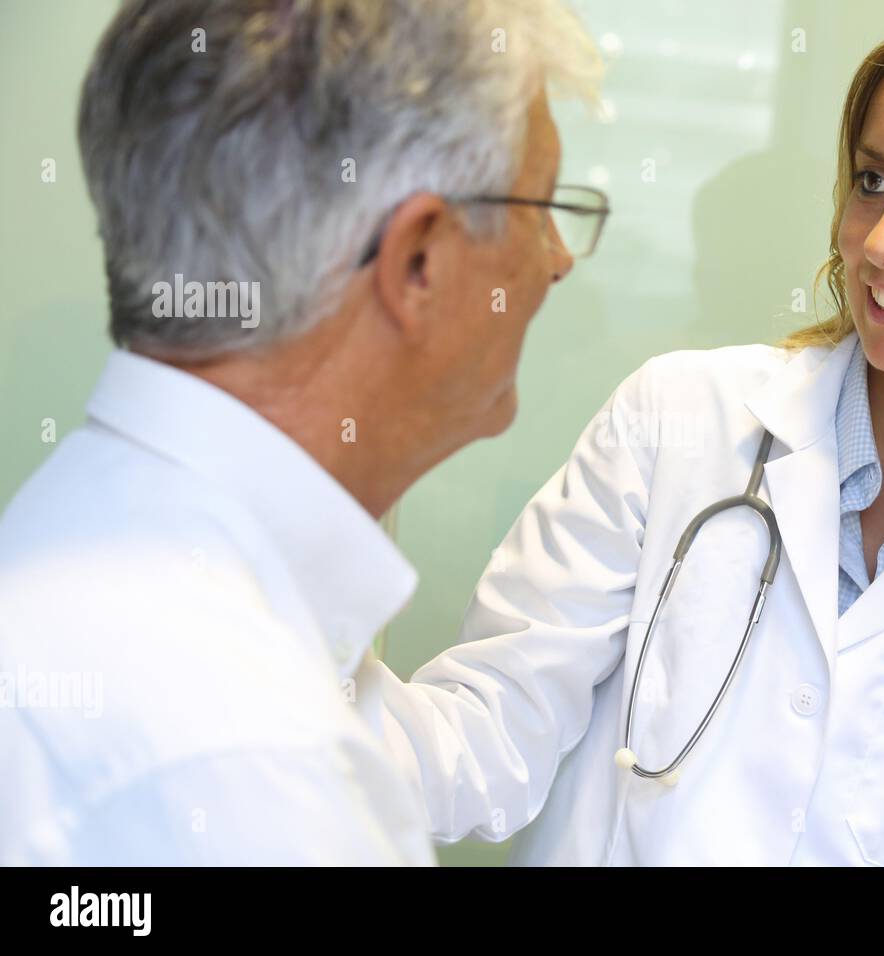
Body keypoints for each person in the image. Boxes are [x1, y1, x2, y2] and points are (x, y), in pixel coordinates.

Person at [380, 0, 884, 864]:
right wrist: (294, 650)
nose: (882, 242)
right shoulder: (677, 418)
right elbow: (482, 742)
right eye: (874, 182)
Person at [0, 0, 605, 865]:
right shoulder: (260, 773)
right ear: (419, 260)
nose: (558, 259)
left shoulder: (80, 530)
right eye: (539, 208)